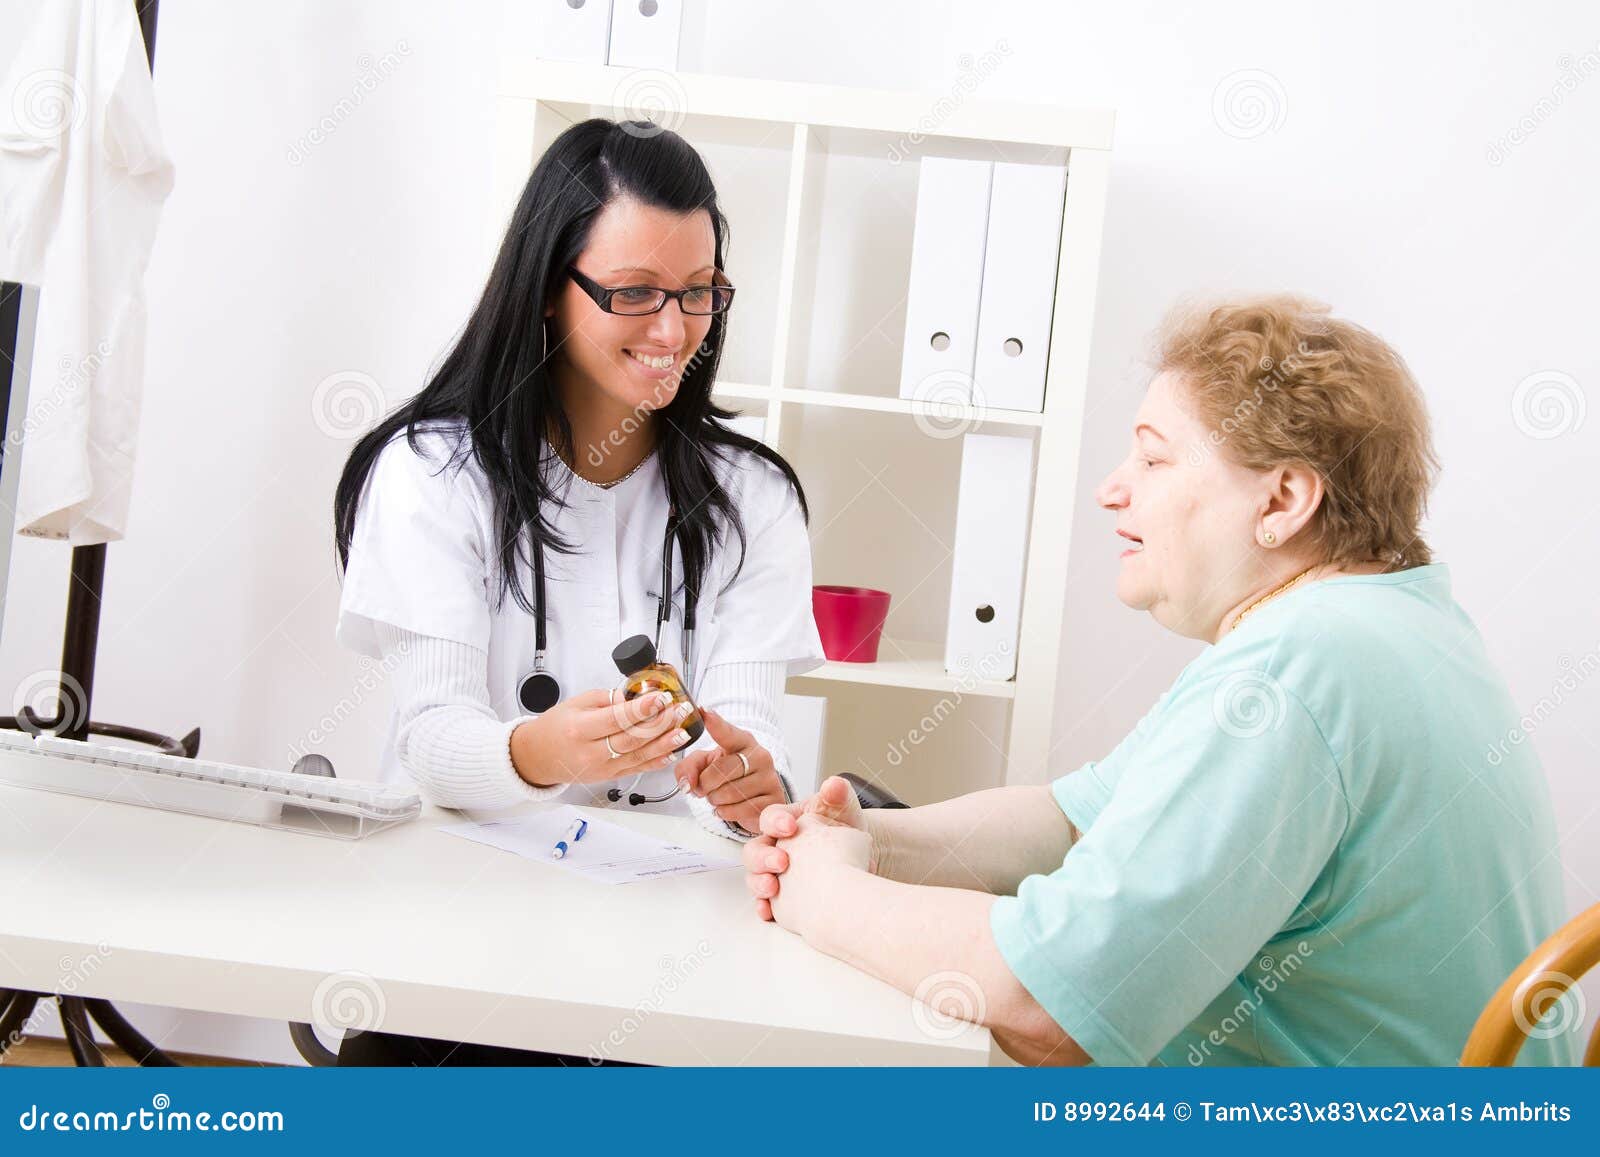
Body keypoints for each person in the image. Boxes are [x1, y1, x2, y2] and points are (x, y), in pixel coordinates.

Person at [743, 296, 1579, 1067]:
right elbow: (1075, 821)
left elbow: (1052, 1012)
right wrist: (872, 839)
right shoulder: (1390, 623)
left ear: (1282, 500)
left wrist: (825, 896)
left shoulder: (1297, 671)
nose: (1112, 489)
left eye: (1153, 458)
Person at [331, 118, 824, 1064]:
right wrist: (542, 751)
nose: (674, 331)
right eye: (634, 293)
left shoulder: (754, 496)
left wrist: (747, 789)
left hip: (667, 949)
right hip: (455, 930)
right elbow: (430, 738)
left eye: (698, 292)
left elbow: (750, 742)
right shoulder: (433, 472)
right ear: (548, 291)